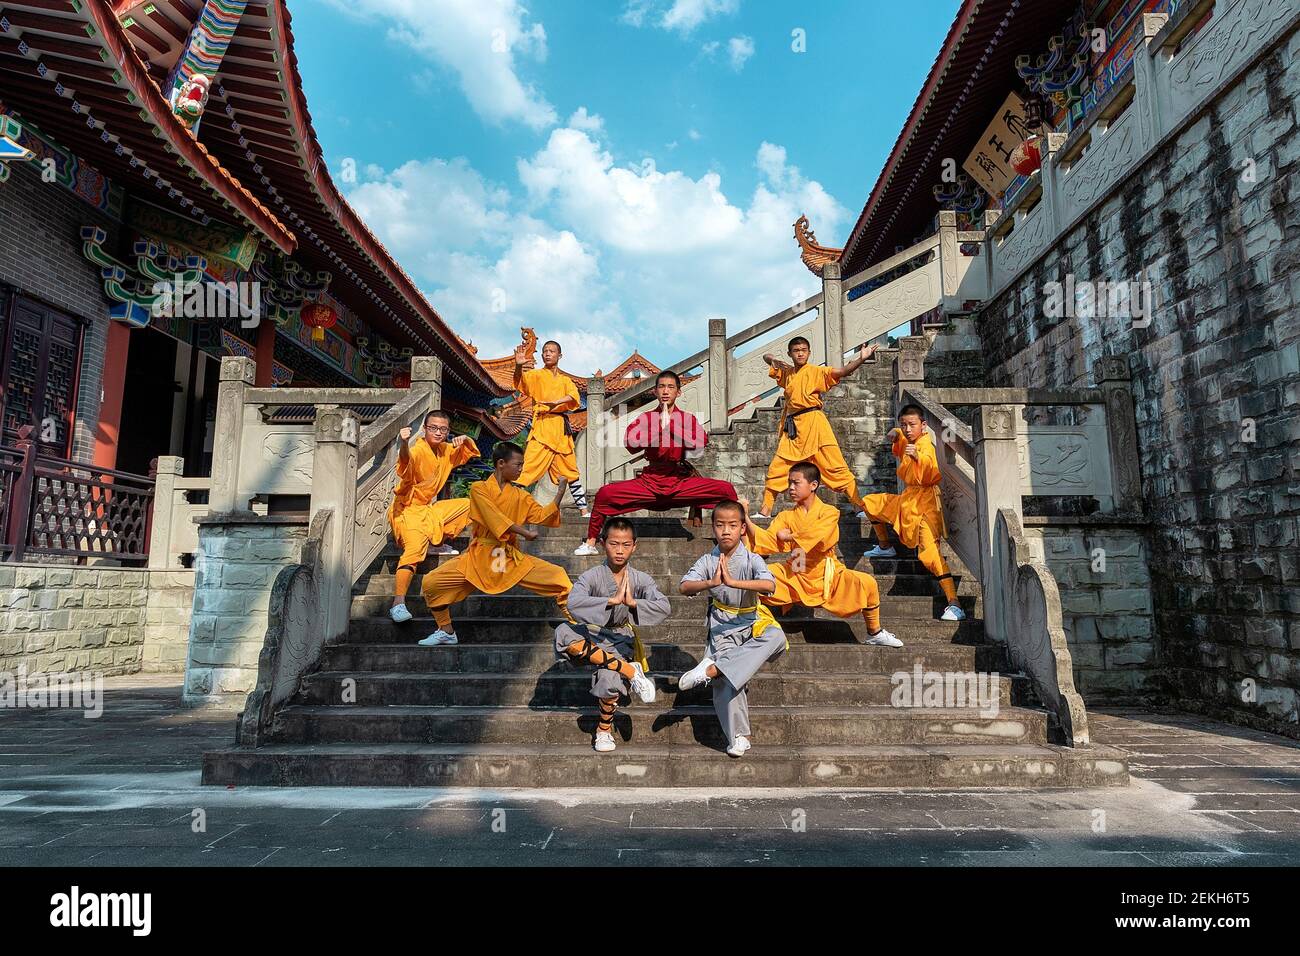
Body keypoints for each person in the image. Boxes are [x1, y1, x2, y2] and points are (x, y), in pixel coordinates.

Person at [418, 443, 571, 646]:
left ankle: (579, 624)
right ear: (501, 463)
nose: (521, 469)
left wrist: (560, 492)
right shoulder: (479, 489)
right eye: (518, 465)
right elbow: (493, 517)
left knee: (559, 576)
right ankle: (446, 630)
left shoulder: (520, 496)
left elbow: (543, 516)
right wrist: (524, 532)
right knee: (431, 583)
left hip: (508, 557)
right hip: (479, 556)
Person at [574, 370, 737, 555]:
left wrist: (672, 426)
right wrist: (659, 427)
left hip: (679, 481)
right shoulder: (646, 418)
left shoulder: (687, 418)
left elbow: (700, 443)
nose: (666, 391)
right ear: (655, 392)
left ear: (678, 392)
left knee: (727, 491)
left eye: (671, 387)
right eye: (661, 387)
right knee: (604, 494)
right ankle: (591, 542)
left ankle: (738, 543)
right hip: (649, 481)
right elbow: (631, 444)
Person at [743, 461, 902, 647]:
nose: (790, 488)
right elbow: (766, 541)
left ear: (813, 485)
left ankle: (874, 632)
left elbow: (818, 538)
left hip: (827, 574)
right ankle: (751, 626)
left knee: (867, 583)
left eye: (796, 483)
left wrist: (789, 536)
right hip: (795, 571)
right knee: (754, 578)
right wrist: (744, 517)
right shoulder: (785, 516)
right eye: (789, 483)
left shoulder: (829, 512)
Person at [678, 500, 787, 758]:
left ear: (742, 529)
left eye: (732, 525)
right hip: (723, 629)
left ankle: (713, 667)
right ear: (713, 528)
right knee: (728, 680)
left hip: (753, 622)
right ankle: (739, 736)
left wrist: (735, 582)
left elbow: (769, 586)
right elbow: (684, 586)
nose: (726, 531)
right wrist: (710, 582)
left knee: (777, 636)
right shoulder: (708, 560)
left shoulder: (752, 558)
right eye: (720, 525)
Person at [554, 517, 667, 752]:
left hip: (619, 637)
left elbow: (664, 607)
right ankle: (629, 670)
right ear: (603, 543)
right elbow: (573, 602)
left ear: (634, 546)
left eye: (626, 545)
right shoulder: (592, 576)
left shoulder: (641, 579)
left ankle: (604, 730)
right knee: (563, 633)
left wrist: (633, 603)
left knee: (609, 678)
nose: (620, 551)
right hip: (593, 633)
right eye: (614, 544)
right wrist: (610, 601)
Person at [754, 336, 879, 520]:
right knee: (777, 469)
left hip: (815, 425)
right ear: (790, 354)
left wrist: (861, 358)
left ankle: (858, 506)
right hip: (794, 429)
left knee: (837, 467)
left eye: (804, 350)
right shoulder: (787, 373)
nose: (800, 353)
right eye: (796, 350)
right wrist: (772, 360)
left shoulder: (816, 371)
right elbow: (766, 357)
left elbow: (843, 371)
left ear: (809, 353)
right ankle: (765, 511)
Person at [862, 404, 965, 621]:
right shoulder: (908, 439)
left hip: (925, 505)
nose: (908, 429)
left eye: (912, 425)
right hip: (907, 501)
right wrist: (896, 432)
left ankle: (954, 603)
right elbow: (899, 438)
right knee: (869, 503)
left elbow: (932, 469)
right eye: (904, 425)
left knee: (929, 554)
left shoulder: (924, 444)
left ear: (924, 425)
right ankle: (884, 546)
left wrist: (917, 456)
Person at [386, 410, 479, 624]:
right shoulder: (418, 450)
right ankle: (398, 603)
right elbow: (405, 463)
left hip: (428, 510)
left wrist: (466, 439)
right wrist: (403, 443)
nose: (438, 433)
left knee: (469, 505)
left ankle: (437, 543)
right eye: (433, 428)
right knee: (413, 551)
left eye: (443, 429)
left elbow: (468, 453)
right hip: (408, 511)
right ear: (425, 429)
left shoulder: (445, 450)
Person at [513, 338, 591, 515]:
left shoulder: (565, 381)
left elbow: (573, 398)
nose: (547, 353)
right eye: (545, 351)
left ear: (560, 355)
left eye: (551, 351)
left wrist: (554, 403)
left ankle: (584, 511)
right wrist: (518, 366)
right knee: (527, 469)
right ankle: (508, 506)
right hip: (541, 427)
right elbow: (520, 383)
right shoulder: (536, 375)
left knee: (571, 472)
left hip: (560, 430)